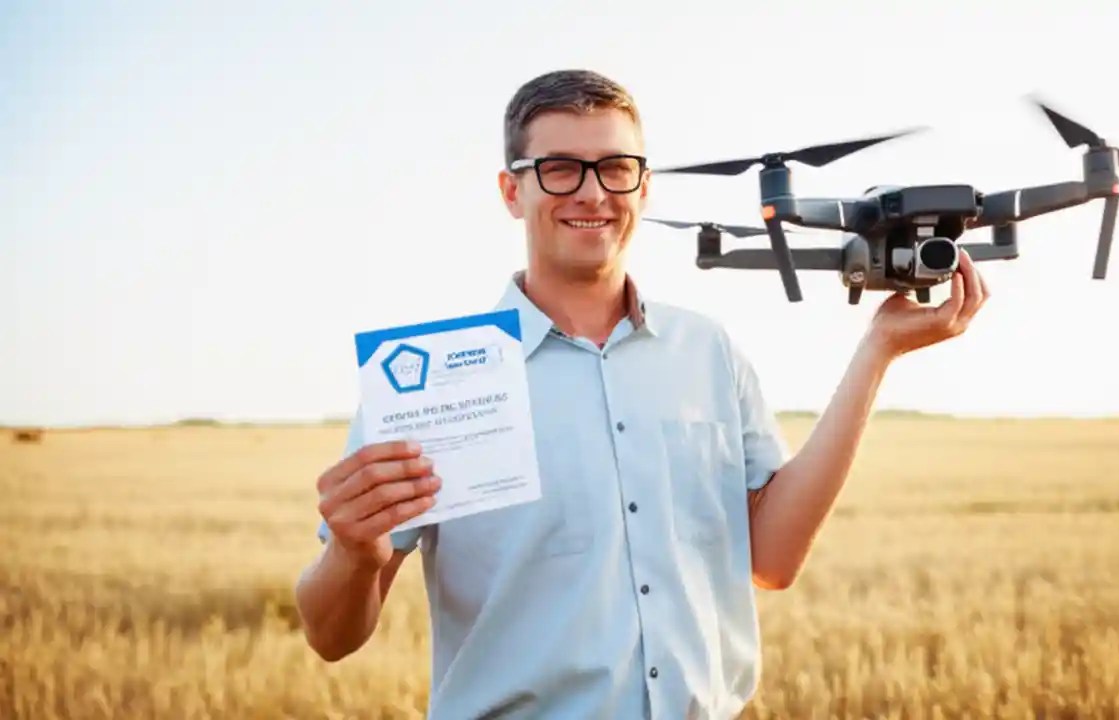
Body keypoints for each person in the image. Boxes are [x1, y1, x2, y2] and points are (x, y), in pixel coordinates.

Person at [294, 68, 989, 719]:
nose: (592, 194)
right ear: (513, 192)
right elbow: (330, 637)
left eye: (616, 169)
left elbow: (772, 561)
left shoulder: (708, 350)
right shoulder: (431, 377)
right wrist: (355, 554)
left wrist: (877, 352)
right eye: (560, 169)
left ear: (644, 186)